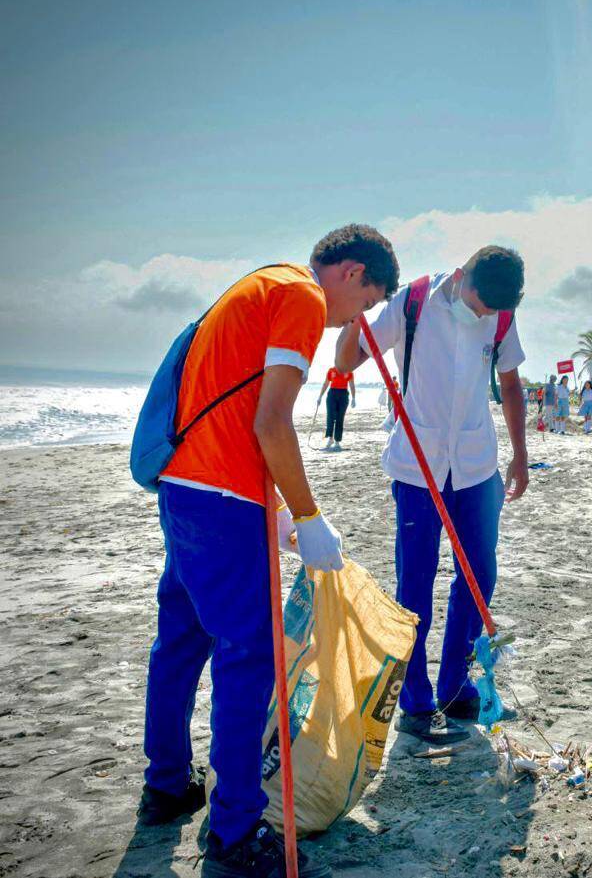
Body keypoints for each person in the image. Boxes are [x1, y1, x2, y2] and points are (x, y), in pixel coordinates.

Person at [139, 225, 400, 878]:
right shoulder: (303, 298)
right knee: (250, 653)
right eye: (365, 301)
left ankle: (167, 785)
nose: (357, 316)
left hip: (186, 486)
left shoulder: (262, 282)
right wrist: (309, 516)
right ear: (349, 271)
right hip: (222, 498)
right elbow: (272, 420)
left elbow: (233, 410)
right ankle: (233, 829)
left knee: (181, 641)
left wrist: (278, 514)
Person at [334, 245, 528, 744]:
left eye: (491, 311)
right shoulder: (415, 300)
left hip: (476, 463)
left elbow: (509, 385)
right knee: (415, 582)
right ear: (462, 275)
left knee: (479, 572)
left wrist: (520, 455)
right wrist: (356, 315)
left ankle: (457, 683)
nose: (482, 314)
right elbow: (349, 359)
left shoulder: (501, 315)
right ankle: (416, 701)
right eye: (479, 303)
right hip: (416, 464)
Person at [317, 366, 355, 450]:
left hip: (343, 394)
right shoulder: (331, 370)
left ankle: (337, 441)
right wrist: (320, 396)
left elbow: (352, 385)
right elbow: (326, 384)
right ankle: (330, 439)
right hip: (332, 394)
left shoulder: (349, 371)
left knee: (340, 418)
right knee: (330, 416)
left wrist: (354, 398)